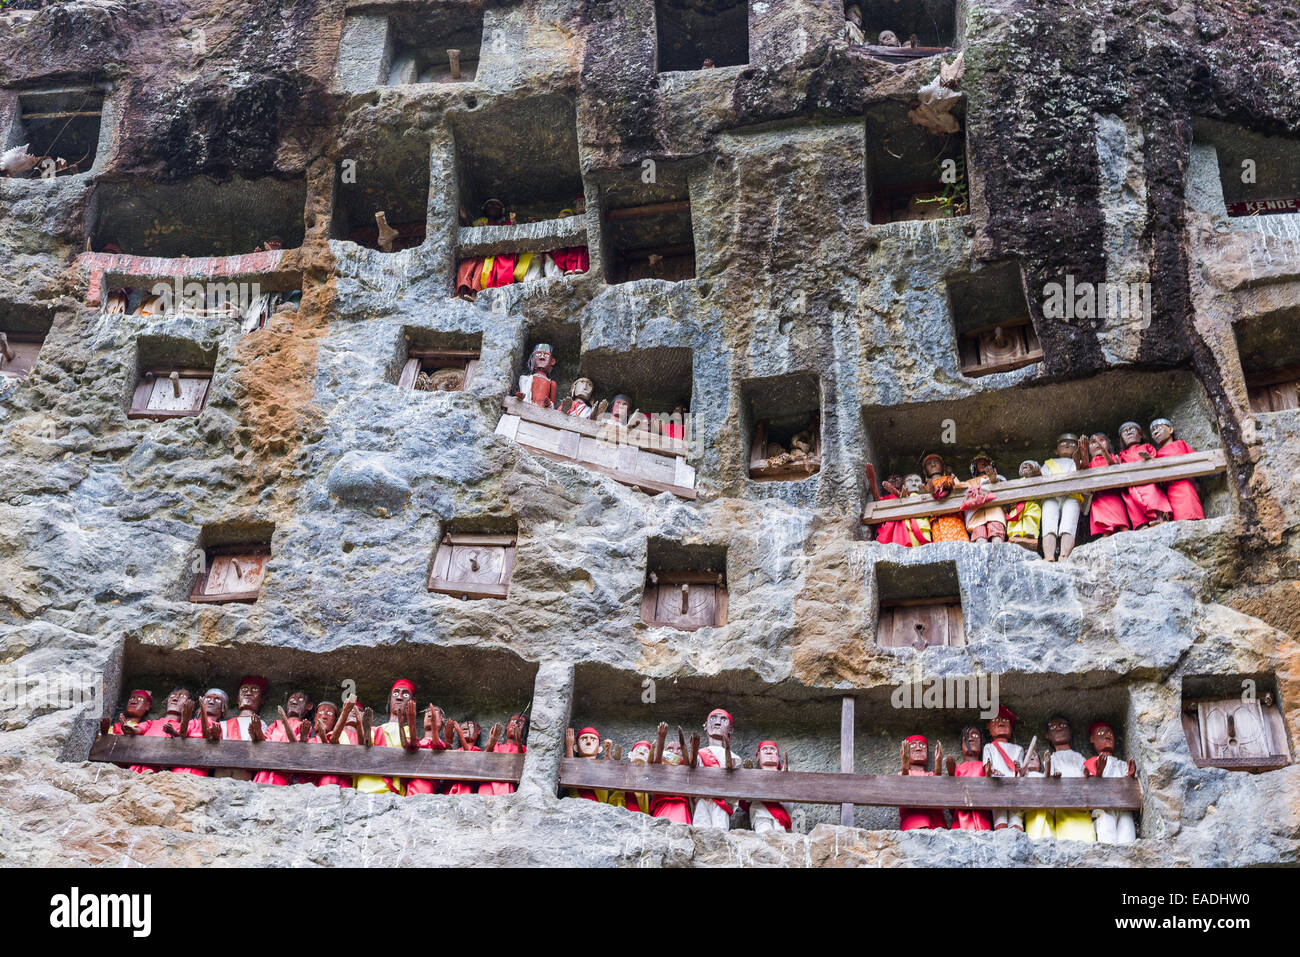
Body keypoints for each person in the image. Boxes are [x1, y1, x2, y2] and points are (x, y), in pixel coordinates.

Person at [356, 679, 422, 796]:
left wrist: (407, 724)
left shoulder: (409, 732)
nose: (399, 697)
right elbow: (364, 746)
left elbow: (410, 747)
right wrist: (366, 728)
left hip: (392, 791)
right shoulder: (376, 730)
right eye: (395, 693)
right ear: (390, 698)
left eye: (405, 694)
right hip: (367, 786)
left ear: (413, 701)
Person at [1085, 721, 1137, 844]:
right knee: (1107, 838)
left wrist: (1130, 776)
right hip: (1104, 807)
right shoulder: (1091, 762)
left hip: (1124, 807)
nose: (1107, 736)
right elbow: (1088, 787)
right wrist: (1098, 774)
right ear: (1092, 739)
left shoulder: (1121, 764)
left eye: (1110, 733)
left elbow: (1129, 788)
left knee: (1128, 837)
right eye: (1101, 733)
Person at [1044, 717, 1095, 841]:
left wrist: (1086, 775)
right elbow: (1048, 777)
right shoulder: (1052, 758)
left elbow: (1086, 773)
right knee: (1066, 835)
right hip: (1063, 805)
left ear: (1071, 731)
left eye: (1063, 725)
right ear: (1047, 735)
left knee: (1086, 837)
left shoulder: (1078, 757)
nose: (1059, 728)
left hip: (1081, 803)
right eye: (1053, 727)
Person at [693, 708, 743, 829]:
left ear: (730, 729)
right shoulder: (699, 753)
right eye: (713, 718)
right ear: (705, 726)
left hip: (721, 801)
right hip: (701, 798)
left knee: (721, 831)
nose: (717, 722)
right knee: (699, 829)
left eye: (723, 719)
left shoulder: (733, 757)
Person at [1116, 422, 1171, 528]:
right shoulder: (1122, 454)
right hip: (1133, 483)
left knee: (1152, 493)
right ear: (1122, 440)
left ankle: (1159, 518)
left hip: (1148, 480)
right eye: (1125, 431)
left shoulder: (1147, 446)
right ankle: (1142, 524)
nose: (1128, 432)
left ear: (1141, 434)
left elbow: (1156, 459)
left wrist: (1149, 459)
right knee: (1132, 499)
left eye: (1132, 429)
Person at [255, 690, 314, 786]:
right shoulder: (276, 723)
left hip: (284, 767)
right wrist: (257, 731)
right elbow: (264, 742)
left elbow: (297, 745)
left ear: (309, 706)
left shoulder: (303, 725)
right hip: (266, 764)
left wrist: (285, 722)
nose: (294, 701)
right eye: (291, 699)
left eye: (300, 699)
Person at [1040, 434, 1084, 561]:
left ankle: (1064, 554)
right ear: (1056, 450)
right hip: (1051, 495)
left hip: (1072, 494)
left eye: (1072, 443)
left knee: (1069, 523)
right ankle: (1049, 555)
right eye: (1063, 443)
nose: (1067, 445)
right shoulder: (1048, 463)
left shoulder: (1079, 462)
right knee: (1048, 523)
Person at [1150, 418, 1205, 521]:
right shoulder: (1156, 455)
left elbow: (1196, 460)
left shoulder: (1181, 444)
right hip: (1170, 489)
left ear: (1170, 430)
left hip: (1186, 484)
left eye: (1159, 428)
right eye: (1153, 431)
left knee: (1190, 508)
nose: (1155, 432)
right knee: (1178, 517)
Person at [216, 675, 269, 780]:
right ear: (237, 699)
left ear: (262, 700)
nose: (248, 693)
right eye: (244, 689)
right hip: (222, 767)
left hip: (244, 767)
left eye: (254, 690)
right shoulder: (223, 724)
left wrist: (257, 733)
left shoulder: (261, 724)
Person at [1078, 433, 1130, 537]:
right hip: (1098, 498)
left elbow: (1113, 466)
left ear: (1108, 444)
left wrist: (1103, 451)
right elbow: (1084, 472)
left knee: (1122, 524)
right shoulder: (1090, 463)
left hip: (1113, 496)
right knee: (1105, 528)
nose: (1097, 444)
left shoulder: (1113, 457)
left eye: (1101, 440)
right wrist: (1083, 453)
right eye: (1092, 443)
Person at [982, 706, 1023, 830]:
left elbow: (1021, 771)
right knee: (1000, 820)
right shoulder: (989, 747)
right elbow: (987, 766)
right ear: (988, 727)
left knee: (1016, 821)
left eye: (1005, 721)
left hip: (1015, 788)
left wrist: (1018, 769)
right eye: (996, 720)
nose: (1000, 723)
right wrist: (991, 770)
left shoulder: (1018, 749)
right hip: (997, 787)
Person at [946, 726, 992, 831]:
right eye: (966, 737)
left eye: (975, 735)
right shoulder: (958, 768)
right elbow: (951, 796)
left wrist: (989, 773)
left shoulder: (984, 766)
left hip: (981, 815)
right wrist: (951, 774)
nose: (970, 739)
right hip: (961, 818)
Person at [898, 734, 947, 830]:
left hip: (936, 825)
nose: (918, 749)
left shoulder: (931, 775)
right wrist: (904, 766)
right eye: (912, 745)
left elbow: (938, 789)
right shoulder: (903, 774)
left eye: (922, 746)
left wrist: (938, 767)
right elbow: (903, 786)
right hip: (914, 823)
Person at [742, 741, 792, 833]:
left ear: (778, 757)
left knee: (781, 841)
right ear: (758, 756)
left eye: (772, 749)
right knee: (763, 838)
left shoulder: (786, 774)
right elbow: (744, 801)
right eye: (764, 749)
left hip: (781, 814)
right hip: (760, 812)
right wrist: (748, 777)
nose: (768, 751)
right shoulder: (753, 775)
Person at [921, 453, 969, 542]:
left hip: (954, 517)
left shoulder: (950, 479)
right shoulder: (925, 486)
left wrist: (951, 484)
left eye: (936, 462)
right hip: (936, 521)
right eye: (929, 463)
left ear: (943, 467)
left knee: (960, 546)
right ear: (925, 471)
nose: (933, 465)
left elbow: (961, 487)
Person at [478, 712, 527, 796]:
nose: (515, 723)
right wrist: (492, 742)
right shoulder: (496, 746)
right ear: (507, 726)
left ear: (525, 729)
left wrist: (519, 741)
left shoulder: (523, 749)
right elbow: (484, 762)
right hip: (487, 787)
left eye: (520, 722)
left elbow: (521, 763)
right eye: (513, 721)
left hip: (507, 785)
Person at [963, 453, 1006, 543]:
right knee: (980, 539)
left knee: (996, 536)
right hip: (976, 515)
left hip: (995, 512)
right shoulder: (969, 482)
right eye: (980, 462)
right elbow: (963, 490)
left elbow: (1004, 489)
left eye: (986, 462)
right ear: (974, 466)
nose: (984, 463)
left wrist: (994, 480)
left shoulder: (998, 477)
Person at [1007, 461, 1042, 551]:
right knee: (1015, 520)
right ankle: (1015, 534)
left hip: (1031, 504)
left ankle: (1030, 533)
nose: (1025, 466)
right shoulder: (1016, 482)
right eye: (1023, 466)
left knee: (1031, 517)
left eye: (1029, 466)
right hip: (1017, 505)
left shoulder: (1038, 480)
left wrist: (1038, 474)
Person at [1021, 749, 1053, 839]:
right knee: (1034, 830)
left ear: (1039, 763)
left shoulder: (1040, 775)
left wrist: (1048, 763)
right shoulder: (1025, 776)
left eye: (1035, 756)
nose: (1031, 757)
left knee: (1048, 830)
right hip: (1031, 809)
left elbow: (1046, 778)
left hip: (1045, 807)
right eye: (1027, 755)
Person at [516, 343, 558, 409]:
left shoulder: (551, 383)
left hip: (542, 410)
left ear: (552, 361)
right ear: (531, 360)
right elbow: (520, 392)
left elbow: (552, 404)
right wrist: (520, 396)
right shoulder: (524, 379)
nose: (542, 357)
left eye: (546, 355)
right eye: (538, 354)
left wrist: (548, 404)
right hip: (526, 406)